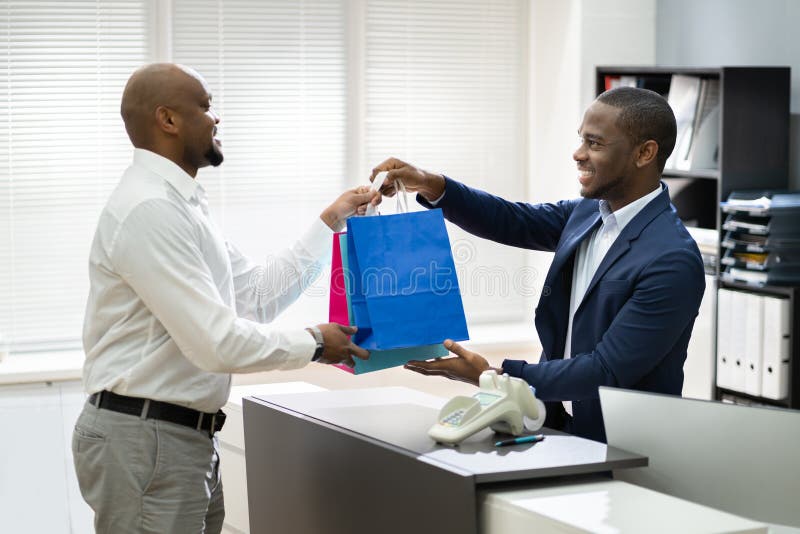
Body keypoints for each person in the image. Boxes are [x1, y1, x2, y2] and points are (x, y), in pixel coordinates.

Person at [72, 63, 377, 533]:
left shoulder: (184, 205)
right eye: (206, 106)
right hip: (147, 440)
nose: (216, 120)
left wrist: (330, 221)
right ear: (168, 120)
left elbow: (255, 296)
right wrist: (315, 343)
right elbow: (215, 342)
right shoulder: (150, 209)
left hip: (177, 438)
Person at [371, 87, 705, 444]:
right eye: (581, 140)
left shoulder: (672, 260)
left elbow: (606, 369)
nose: (578, 154)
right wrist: (430, 183)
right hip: (559, 427)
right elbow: (510, 219)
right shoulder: (589, 213)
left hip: (627, 446)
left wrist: (494, 374)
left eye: (595, 143)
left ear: (644, 153)